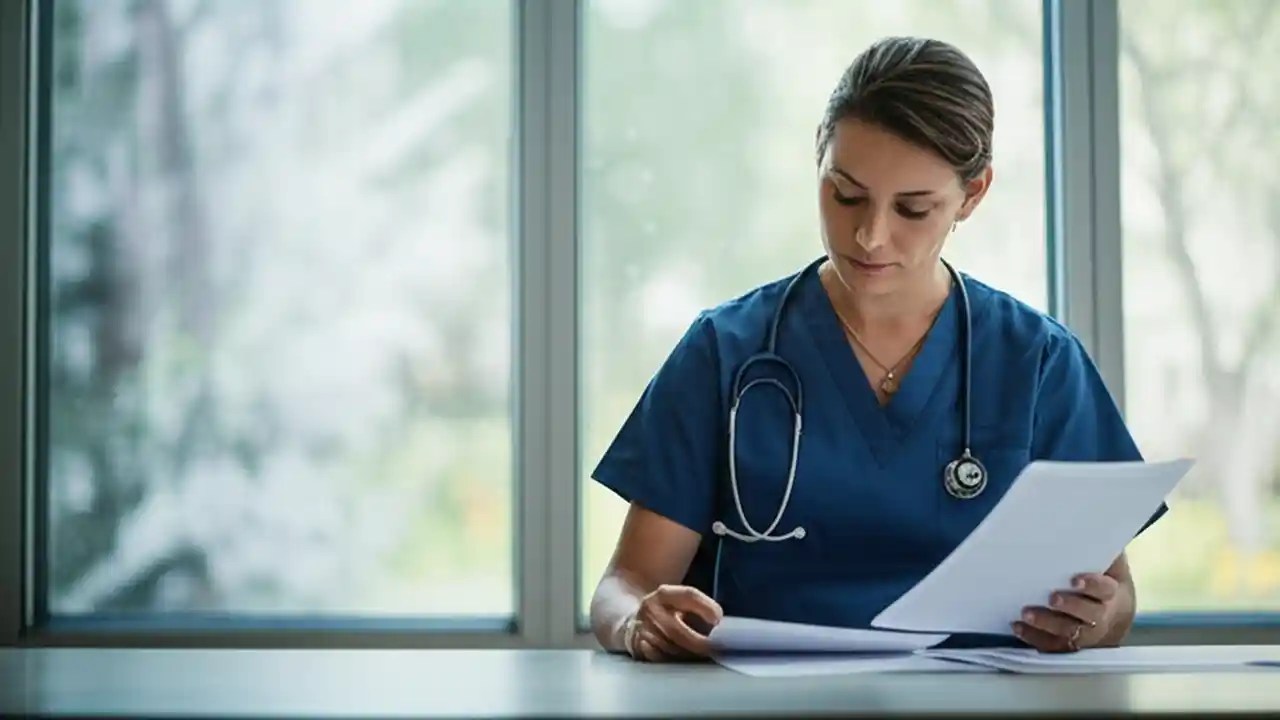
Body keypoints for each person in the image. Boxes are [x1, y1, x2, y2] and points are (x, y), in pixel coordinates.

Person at [586, 35, 1167, 663]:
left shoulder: (1038, 362)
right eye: (846, 195)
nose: (870, 234)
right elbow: (626, 586)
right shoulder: (723, 352)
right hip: (760, 704)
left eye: (914, 209)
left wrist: (1097, 619)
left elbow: (1116, 595)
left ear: (972, 196)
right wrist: (633, 623)